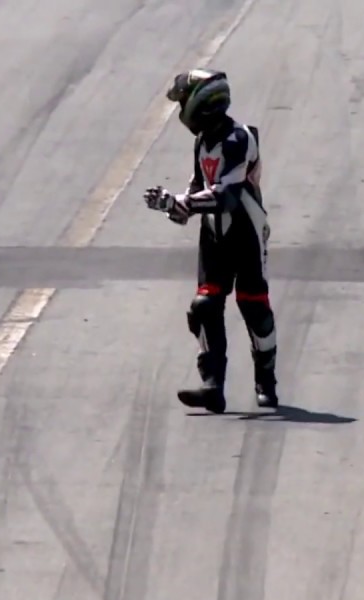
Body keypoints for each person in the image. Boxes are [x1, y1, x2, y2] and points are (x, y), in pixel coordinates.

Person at [143, 68, 279, 413]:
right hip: (214, 233)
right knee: (204, 305)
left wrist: (182, 203)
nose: (181, 112)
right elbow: (196, 190)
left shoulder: (239, 139)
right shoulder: (202, 142)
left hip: (246, 230)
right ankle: (212, 386)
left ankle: (266, 380)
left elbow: (226, 195)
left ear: (201, 104)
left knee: (253, 305)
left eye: (183, 103)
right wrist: (171, 206)